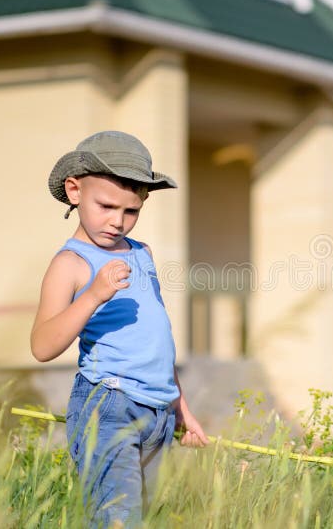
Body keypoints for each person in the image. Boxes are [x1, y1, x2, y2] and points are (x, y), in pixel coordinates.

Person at [30, 131, 208, 528]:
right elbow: (42, 345)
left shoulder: (141, 253)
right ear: (74, 190)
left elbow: (156, 336)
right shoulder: (71, 263)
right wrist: (93, 295)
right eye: (106, 206)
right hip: (109, 406)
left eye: (131, 211)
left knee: (144, 518)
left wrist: (180, 406)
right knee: (117, 520)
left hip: (158, 410)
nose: (117, 221)